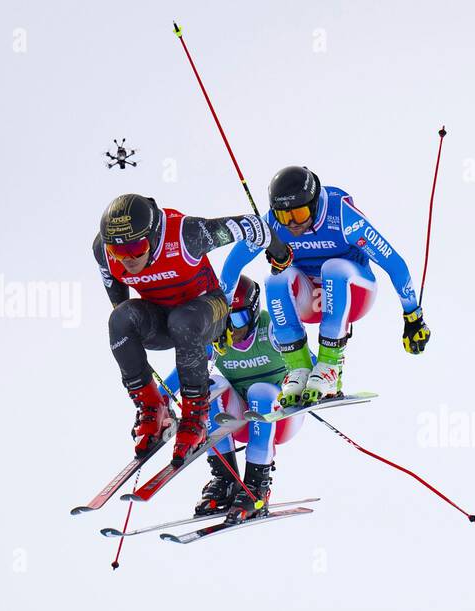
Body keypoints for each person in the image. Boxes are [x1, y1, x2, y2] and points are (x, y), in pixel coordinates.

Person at [94, 193, 292, 464]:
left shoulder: (187, 235)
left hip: (209, 312)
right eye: (119, 252)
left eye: (136, 248)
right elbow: (121, 305)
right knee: (119, 319)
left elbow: (253, 225)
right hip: (162, 320)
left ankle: (195, 417)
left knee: (183, 320)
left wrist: (280, 254)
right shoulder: (103, 251)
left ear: (153, 235)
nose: (127, 259)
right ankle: (152, 409)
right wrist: (131, 344)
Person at [221, 166, 431, 407]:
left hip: (354, 292)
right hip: (311, 299)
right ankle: (298, 368)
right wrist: (221, 314)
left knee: (333, 267)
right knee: (276, 279)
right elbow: (232, 266)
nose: (292, 223)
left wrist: (413, 316)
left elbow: (394, 263)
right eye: (284, 216)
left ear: (313, 204)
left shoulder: (342, 216)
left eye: (299, 214)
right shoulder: (272, 224)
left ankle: (330, 366)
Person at [189, 276, 304, 524]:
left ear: (253, 312)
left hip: (281, 417)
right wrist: (160, 398)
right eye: (224, 322)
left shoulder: (271, 328)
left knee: (260, 391)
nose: (231, 330)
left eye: (239, 319)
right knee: (206, 385)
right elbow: (184, 370)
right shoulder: (215, 338)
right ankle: (226, 480)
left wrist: (318, 384)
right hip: (241, 423)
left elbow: (307, 360)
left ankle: (256, 487)